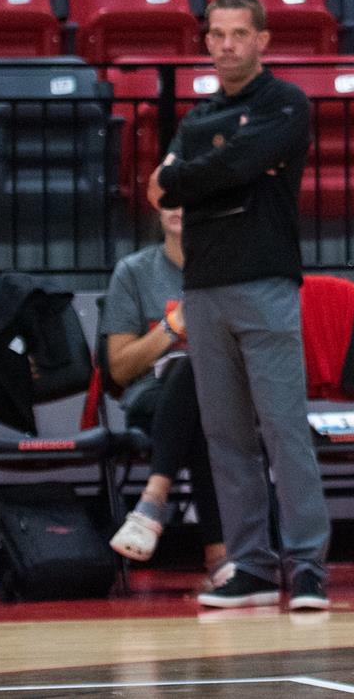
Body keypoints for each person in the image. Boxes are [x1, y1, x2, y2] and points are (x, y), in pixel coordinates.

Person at [150, 0, 331, 610]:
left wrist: (199, 171)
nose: (225, 45)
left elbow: (210, 171)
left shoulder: (287, 103)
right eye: (216, 34)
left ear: (262, 41)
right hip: (201, 288)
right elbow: (163, 187)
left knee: (283, 431)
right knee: (226, 437)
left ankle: (307, 566)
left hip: (264, 281)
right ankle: (250, 564)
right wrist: (213, 166)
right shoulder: (196, 116)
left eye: (237, 33)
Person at [101, 206, 223, 576]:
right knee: (191, 375)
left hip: (221, 394)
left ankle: (152, 503)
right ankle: (220, 558)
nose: (178, 206)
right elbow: (119, 370)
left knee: (202, 395)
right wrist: (173, 326)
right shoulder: (134, 272)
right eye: (169, 196)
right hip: (151, 395)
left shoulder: (228, 270)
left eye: (190, 197)